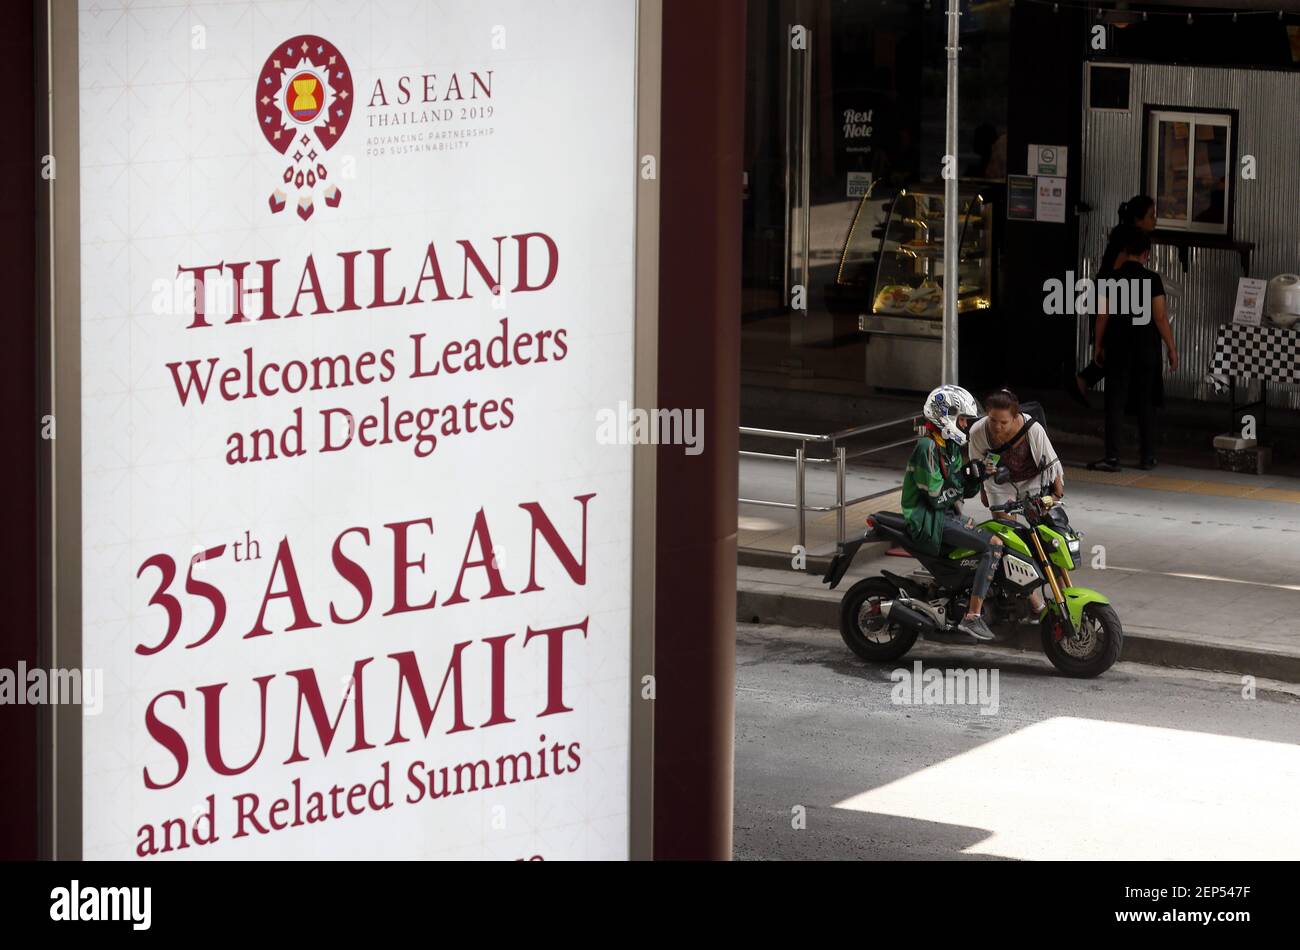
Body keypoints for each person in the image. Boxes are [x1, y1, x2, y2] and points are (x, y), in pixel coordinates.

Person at [901, 385, 999, 642]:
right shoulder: (927, 447)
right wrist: (962, 477)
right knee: (993, 547)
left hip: (946, 515)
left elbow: (959, 491)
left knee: (998, 536)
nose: (966, 425)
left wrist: (976, 476)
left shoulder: (951, 447)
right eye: (963, 419)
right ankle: (972, 617)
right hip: (930, 519)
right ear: (946, 415)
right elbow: (936, 497)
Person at [968, 389, 1064, 617]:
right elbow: (976, 464)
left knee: (1048, 538)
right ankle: (1035, 603)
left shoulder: (1033, 429)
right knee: (1008, 540)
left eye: (1004, 422)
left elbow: (1052, 465)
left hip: (1032, 481)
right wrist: (983, 488)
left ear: (1015, 417)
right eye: (992, 420)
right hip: (999, 484)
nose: (997, 427)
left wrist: (1056, 491)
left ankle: (1063, 596)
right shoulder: (978, 431)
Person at [1089, 228, 1179, 472]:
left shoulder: (1111, 278)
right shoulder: (1152, 280)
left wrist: (1098, 345)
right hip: (1146, 349)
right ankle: (1148, 457)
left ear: (1125, 251)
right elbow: (1160, 316)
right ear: (1146, 254)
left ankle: (1112, 458)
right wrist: (1171, 348)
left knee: (1115, 404)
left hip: (1118, 347)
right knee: (1146, 403)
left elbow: (1102, 316)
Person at [1071, 195, 1156, 404]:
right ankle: (1086, 382)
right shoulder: (1129, 238)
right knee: (1118, 348)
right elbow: (1118, 270)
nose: (1155, 220)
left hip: (1110, 294)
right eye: (1151, 216)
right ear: (1138, 219)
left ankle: (1085, 381)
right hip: (1109, 296)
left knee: (1116, 348)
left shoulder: (1125, 234)